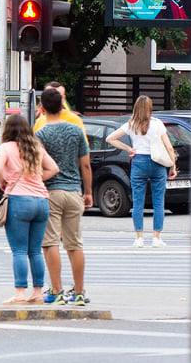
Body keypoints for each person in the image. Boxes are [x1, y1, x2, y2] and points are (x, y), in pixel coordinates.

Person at [35, 85, 92, 305]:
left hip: (52, 192)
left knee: (50, 243)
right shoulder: (76, 130)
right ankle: (78, 292)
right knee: (74, 244)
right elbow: (85, 165)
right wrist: (87, 192)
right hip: (74, 191)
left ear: (42, 108)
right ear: (62, 105)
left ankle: (56, 291)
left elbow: (38, 166)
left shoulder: (40, 134)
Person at [0, 112, 59, 304]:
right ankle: (38, 291)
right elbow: (53, 168)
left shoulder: (5, 148)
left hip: (19, 200)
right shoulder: (36, 147)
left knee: (19, 250)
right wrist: (38, 179)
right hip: (41, 201)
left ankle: (20, 292)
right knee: (35, 250)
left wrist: (3, 181)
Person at [107, 96, 176, 246]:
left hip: (138, 162)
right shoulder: (158, 124)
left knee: (138, 202)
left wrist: (129, 149)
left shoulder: (131, 124)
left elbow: (110, 138)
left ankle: (139, 238)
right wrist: (173, 166)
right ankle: (156, 238)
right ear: (150, 108)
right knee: (159, 202)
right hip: (157, 163)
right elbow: (169, 147)